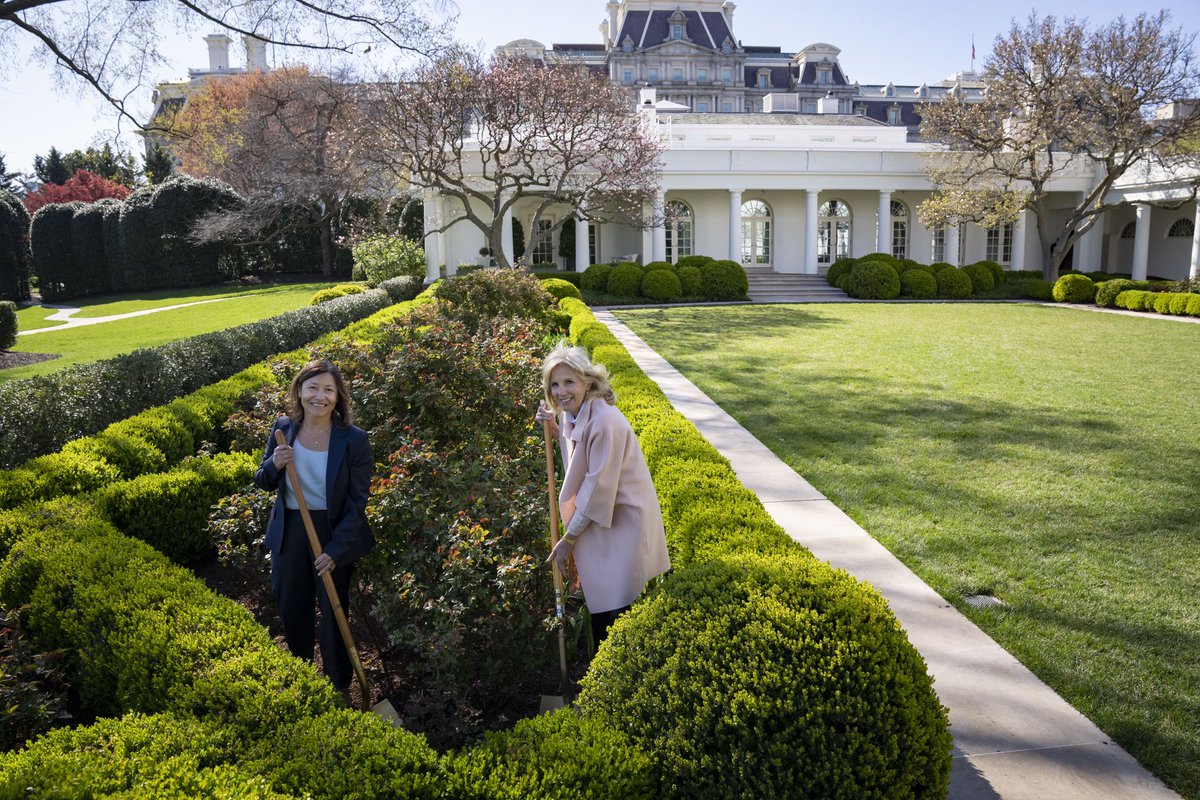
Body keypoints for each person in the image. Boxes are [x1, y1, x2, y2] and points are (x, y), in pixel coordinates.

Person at [536, 342, 671, 649]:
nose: (561, 391)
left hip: (622, 524)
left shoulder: (604, 421)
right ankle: (608, 675)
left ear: (588, 382)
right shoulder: (577, 415)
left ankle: (617, 679)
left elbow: (596, 488)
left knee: (615, 607)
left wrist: (568, 540)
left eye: (569, 382)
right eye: (554, 384)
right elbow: (577, 459)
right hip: (601, 520)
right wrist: (555, 429)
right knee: (603, 604)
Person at [254, 358, 375, 698]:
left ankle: (339, 683)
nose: (319, 396)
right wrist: (274, 464)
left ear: (338, 398)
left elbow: (357, 503)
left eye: (328, 390)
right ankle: (302, 673)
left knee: (335, 610)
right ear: (299, 390)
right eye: (312, 388)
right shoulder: (284, 428)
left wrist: (335, 551)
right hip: (291, 528)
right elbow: (262, 480)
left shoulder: (353, 440)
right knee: (293, 605)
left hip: (332, 532)